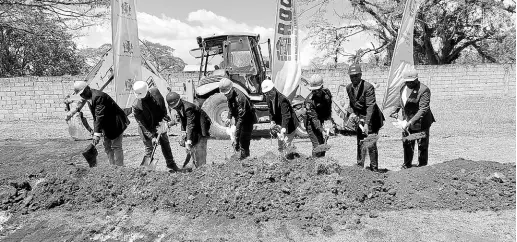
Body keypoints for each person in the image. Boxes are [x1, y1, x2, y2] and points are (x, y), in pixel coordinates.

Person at [72, 80, 129, 166]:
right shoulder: (89, 98)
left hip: (115, 124)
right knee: (107, 147)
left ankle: (120, 169)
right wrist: (96, 132)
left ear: (88, 88)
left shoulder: (99, 97)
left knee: (116, 146)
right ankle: (112, 166)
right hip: (105, 125)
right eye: (80, 94)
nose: (82, 95)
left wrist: (96, 134)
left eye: (83, 92)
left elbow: (99, 116)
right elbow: (96, 117)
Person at [132, 81, 185, 172]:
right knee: (149, 148)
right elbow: (141, 123)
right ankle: (146, 170)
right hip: (146, 128)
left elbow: (162, 106)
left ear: (147, 91)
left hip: (159, 123)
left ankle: (171, 165)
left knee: (165, 144)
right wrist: (152, 137)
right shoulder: (136, 105)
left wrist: (164, 118)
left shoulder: (155, 92)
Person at [390, 67, 435, 169]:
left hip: (421, 122)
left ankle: (422, 167)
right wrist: (395, 110)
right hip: (407, 120)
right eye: (407, 81)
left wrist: (410, 122)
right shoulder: (403, 87)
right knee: (407, 142)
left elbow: (423, 109)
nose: (409, 84)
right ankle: (407, 165)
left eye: (411, 81)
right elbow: (400, 100)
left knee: (422, 144)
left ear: (416, 79)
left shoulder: (424, 90)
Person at [346, 64, 385, 172]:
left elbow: (370, 106)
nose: (354, 78)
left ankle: (374, 169)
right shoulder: (348, 88)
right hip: (360, 117)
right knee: (360, 142)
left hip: (372, 117)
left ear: (361, 75)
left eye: (356, 76)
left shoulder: (368, 87)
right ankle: (360, 167)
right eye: (352, 76)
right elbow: (352, 103)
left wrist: (367, 124)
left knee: (370, 143)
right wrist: (352, 113)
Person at [166, 92, 211, 168]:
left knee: (200, 145)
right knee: (193, 144)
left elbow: (190, 125)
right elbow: (183, 120)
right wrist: (183, 133)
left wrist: (189, 140)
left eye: (176, 106)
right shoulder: (179, 107)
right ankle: (195, 164)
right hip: (194, 125)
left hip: (202, 124)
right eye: (174, 107)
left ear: (179, 101)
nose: (175, 108)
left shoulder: (188, 108)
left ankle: (202, 166)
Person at [261, 78, 300, 158]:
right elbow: (271, 112)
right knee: (280, 146)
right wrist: (272, 121)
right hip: (281, 124)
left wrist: (283, 129)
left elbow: (286, 115)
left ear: (274, 89)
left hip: (290, 125)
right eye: (266, 94)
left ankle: (290, 161)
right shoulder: (268, 98)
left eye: (269, 93)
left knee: (286, 145)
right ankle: (282, 160)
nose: (268, 95)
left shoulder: (282, 99)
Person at [219, 78, 256, 159]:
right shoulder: (229, 95)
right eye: (225, 94)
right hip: (239, 118)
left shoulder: (240, 98)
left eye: (228, 94)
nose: (227, 96)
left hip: (247, 119)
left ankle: (245, 159)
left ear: (232, 88)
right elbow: (231, 107)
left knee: (243, 139)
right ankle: (239, 155)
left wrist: (236, 133)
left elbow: (241, 119)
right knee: (237, 140)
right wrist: (229, 117)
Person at [304, 74, 333, 157]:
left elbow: (328, 107)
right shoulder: (309, 101)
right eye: (313, 91)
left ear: (322, 87)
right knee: (317, 145)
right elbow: (314, 119)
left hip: (322, 119)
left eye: (317, 90)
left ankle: (322, 163)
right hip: (311, 123)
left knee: (323, 143)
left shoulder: (327, 94)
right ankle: (314, 165)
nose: (315, 92)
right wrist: (322, 130)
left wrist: (328, 120)